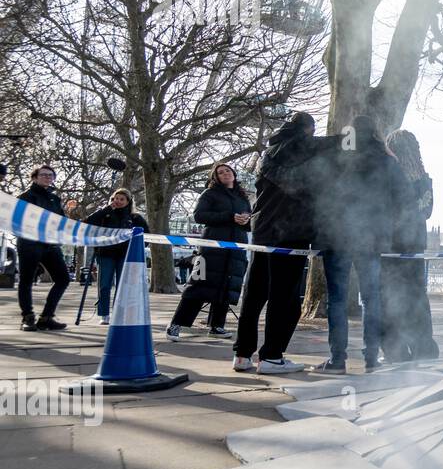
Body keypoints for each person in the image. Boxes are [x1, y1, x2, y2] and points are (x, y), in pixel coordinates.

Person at [232, 112, 335, 374]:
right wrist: (348, 138)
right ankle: (272, 356)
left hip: (263, 230)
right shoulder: (305, 147)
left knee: (254, 295)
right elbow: (317, 155)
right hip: (291, 232)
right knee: (286, 300)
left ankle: (242, 354)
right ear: (309, 129)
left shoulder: (270, 152)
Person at [314, 115, 403, 374]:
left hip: (337, 236)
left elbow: (320, 193)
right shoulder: (387, 162)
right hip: (371, 239)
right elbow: (403, 200)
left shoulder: (336, 159)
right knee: (371, 300)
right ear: (375, 133)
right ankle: (371, 359)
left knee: (338, 300)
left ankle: (337, 360)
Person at [167, 163, 250, 341]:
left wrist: (245, 221)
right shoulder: (210, 194)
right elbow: (199, 215)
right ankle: (176, 324)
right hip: (211, 248)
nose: (225, 173)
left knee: (226, 288)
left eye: (228, 170)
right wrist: (229, 216)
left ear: (234, 173)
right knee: (198, 286)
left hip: (236, 248)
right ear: (216, 178)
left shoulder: (243, 197)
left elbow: (249, 222)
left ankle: (217, 325)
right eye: (220, 172)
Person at [380, 130, 439, 363]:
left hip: (390, 248)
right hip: (414, 248)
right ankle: (424, 349)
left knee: (388, 301)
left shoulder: (388, 178)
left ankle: (395, 351)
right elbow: (426, 212)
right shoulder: (424, 181)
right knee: (416, 300)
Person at [15, 165, 72, 331]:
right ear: (34, 178)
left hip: (50, 244)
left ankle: (47, 317)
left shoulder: (55, 199)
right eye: (44, 175)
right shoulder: (25, 197)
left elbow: (61, 220)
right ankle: (28, 317)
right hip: (30, 243)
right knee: (26, 281)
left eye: (51, 175)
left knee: (63, 279)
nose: (48, 177)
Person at [84, 188, 149, 324]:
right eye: (115, 198)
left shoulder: (135, 218)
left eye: (121, 199)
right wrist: (106, 209)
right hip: (105, 254)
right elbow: (88, 222)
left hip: (125, 256)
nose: (118, 201)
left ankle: (118, 313)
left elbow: (146, 237)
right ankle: (104, 314)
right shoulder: (105, 214)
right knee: (104, 285)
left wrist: (135, 249)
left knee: (122, 286)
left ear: (128, 202)